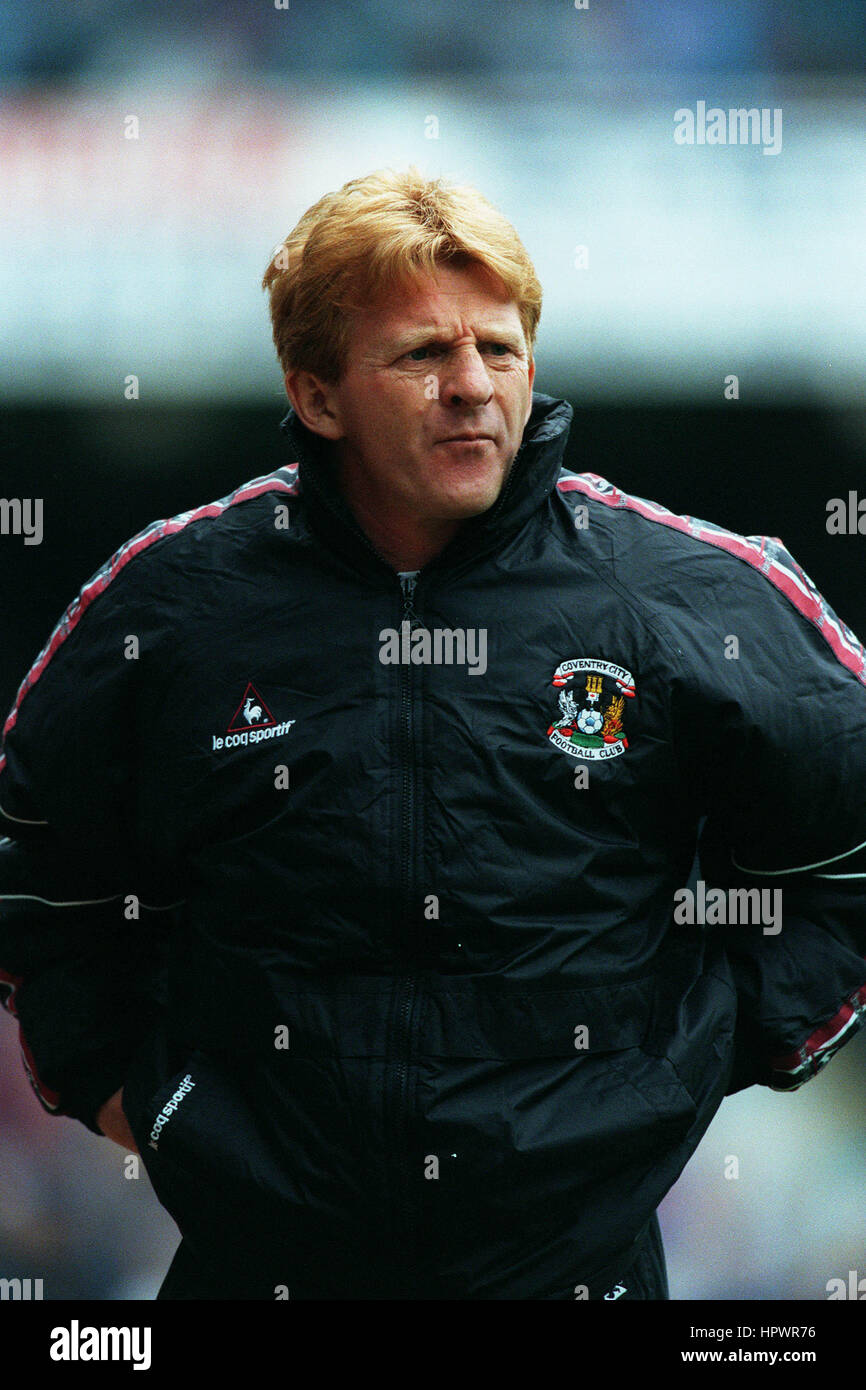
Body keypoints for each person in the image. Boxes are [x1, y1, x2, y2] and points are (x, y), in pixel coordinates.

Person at [2, 166, 866, 1301]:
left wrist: (692, 1062)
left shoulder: (687, 596)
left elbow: (844, 850)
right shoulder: (173, 606)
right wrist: (142, 1100)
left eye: (499, 350)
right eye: (422, 356)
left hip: (576, 1281)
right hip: (256, 1276)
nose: (472, 388)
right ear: (317, 395)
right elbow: (36, 870)